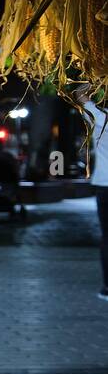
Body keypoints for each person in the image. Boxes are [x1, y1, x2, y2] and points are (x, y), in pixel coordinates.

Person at [81, 95, 108, 301]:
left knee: (107, 237)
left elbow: (79, 95)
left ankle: (107, 286)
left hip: (104, 184)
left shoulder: (100, 117)